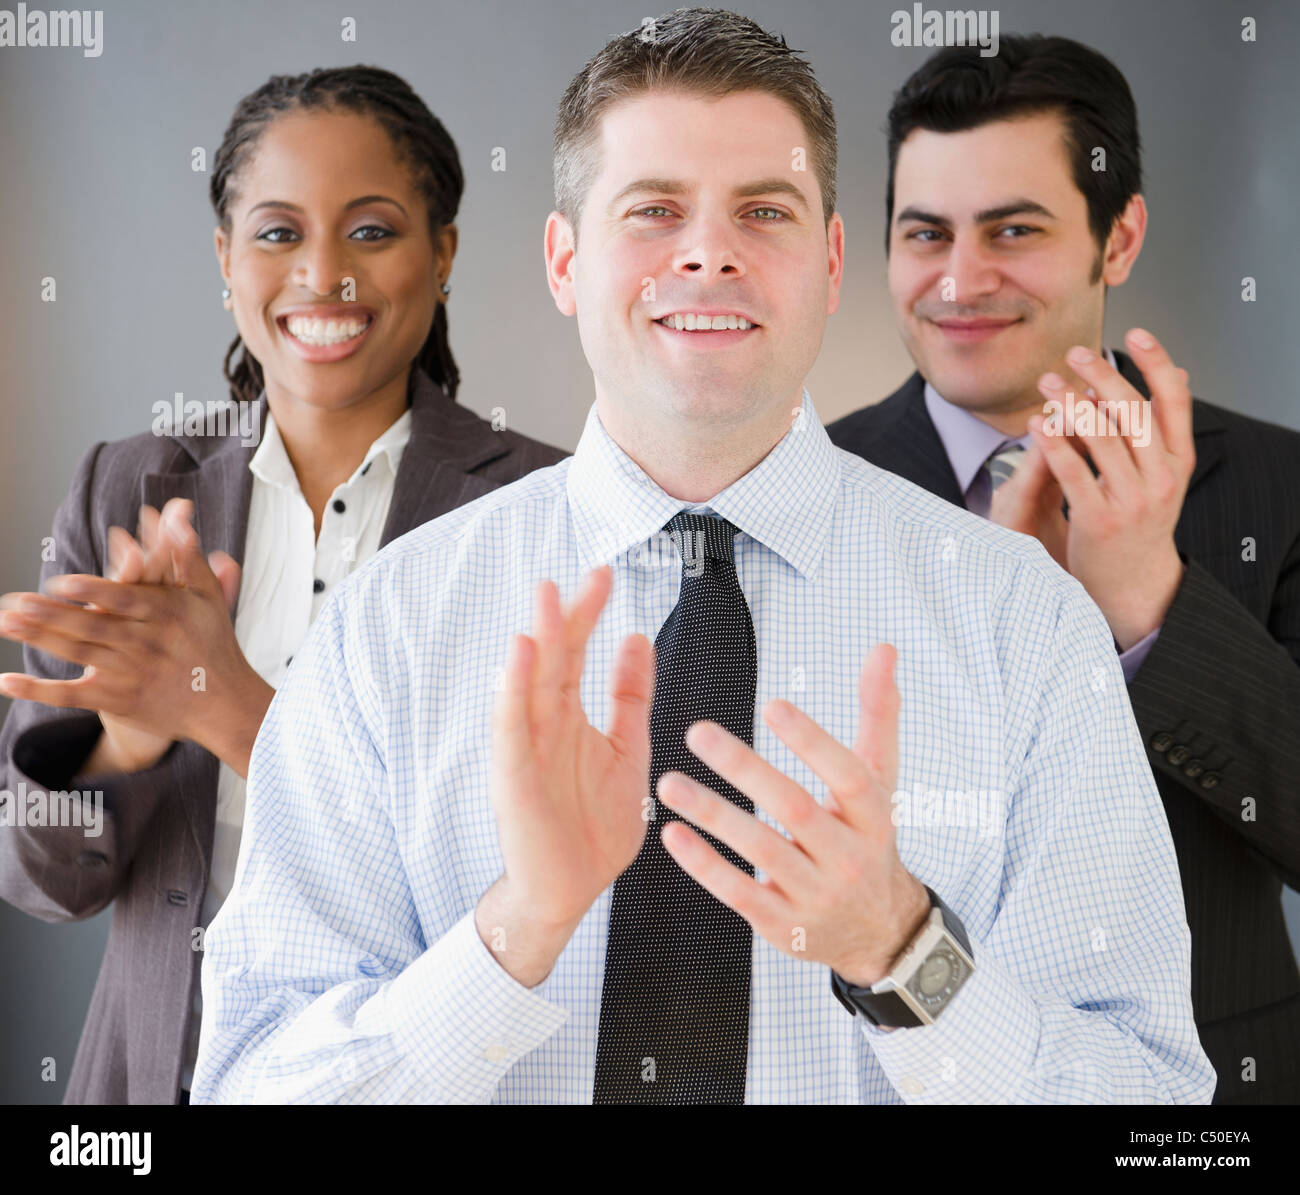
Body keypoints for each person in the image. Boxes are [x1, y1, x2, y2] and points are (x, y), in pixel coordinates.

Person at [194, 10, 1213, 1104]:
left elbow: (1151, 1111)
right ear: (565, 260)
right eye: (655, 210)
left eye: (762, 212)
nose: (707, 252)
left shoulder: (1023, 622)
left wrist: (902, 951)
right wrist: (513, 930)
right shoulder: (387, 622)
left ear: (829, 263)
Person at [0, 65, 566, 1105]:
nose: (322, 274)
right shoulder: (127, 486)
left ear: (441, 254)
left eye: (372, 231)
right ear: (225, 259)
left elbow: (531, 881)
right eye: (275, 234)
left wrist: (227, 709)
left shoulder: (543, 511)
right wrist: (120, 739)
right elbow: (42, 879)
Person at [827, 35, 1300, 1105]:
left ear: (1117, 235)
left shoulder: (1280, 485)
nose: (958, 281)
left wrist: (1147, 605)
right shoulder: (807, 484)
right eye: (925, 234)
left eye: (1013, 230)